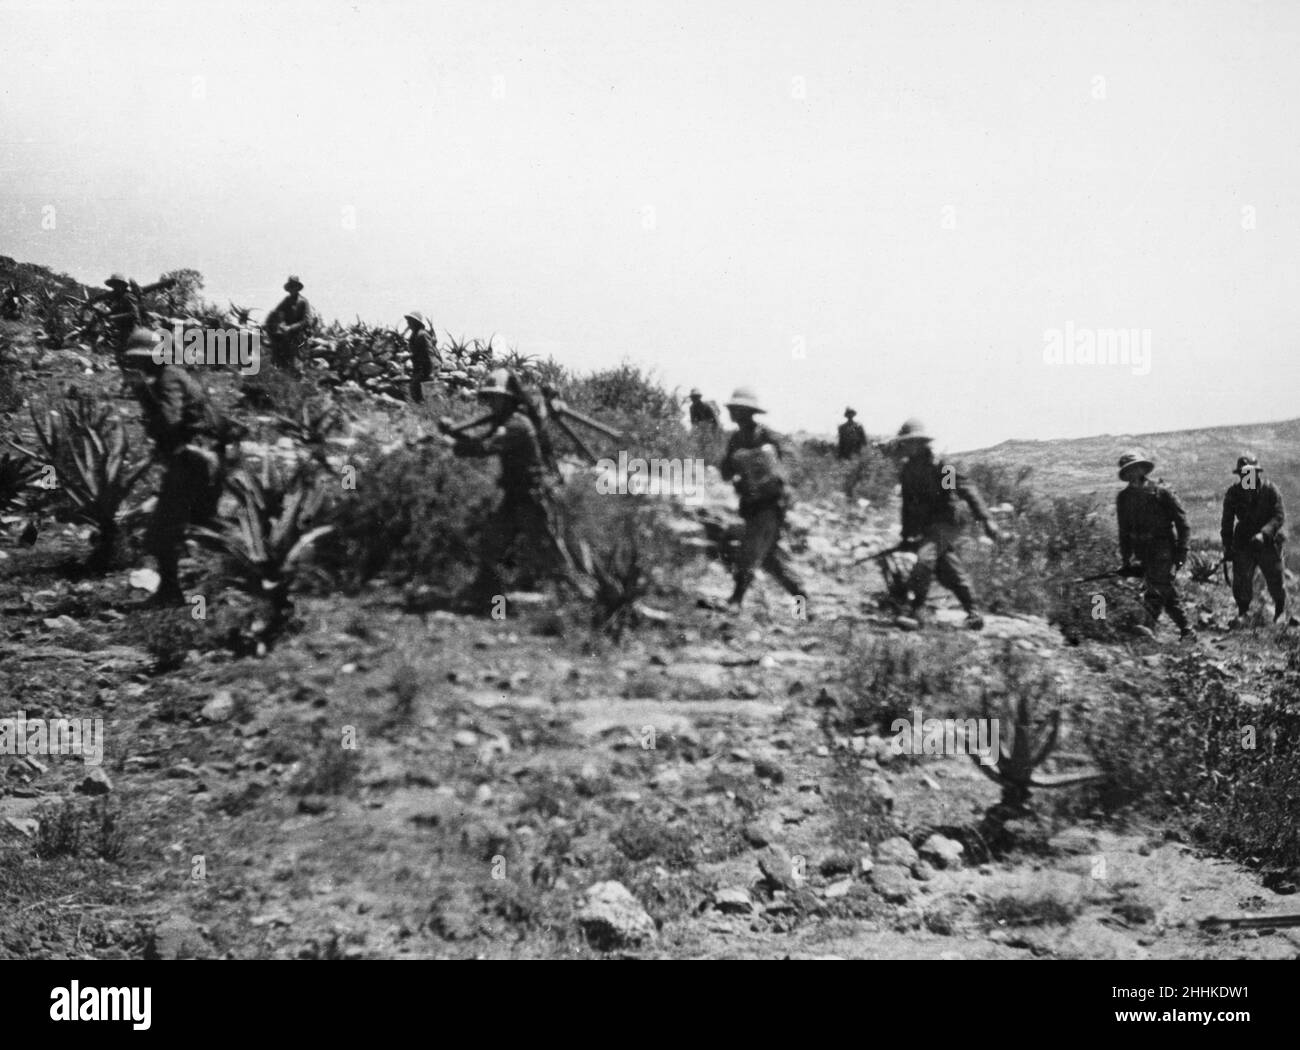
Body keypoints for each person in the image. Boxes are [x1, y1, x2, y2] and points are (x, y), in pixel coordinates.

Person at [439, 369, 578, 607]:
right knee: (490, 544)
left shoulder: (516, 425)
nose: (492, 403)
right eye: (490, 397)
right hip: (514, 497)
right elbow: (483, 438)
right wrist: (455, 434)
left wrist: (455, 445)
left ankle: (575, 598)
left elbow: (486, 446)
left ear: (508, 399)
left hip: (531, 497)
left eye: (497, 397)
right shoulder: (507, 422)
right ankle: (485, 592)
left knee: (547, 550)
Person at [122, 328, 225, 605]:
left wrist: (143, 394)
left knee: (165, 526)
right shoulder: (173, 374)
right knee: (200, 523)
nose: (138, 364)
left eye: (141, 358)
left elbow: (169, 420)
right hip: (202, 456)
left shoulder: (168, 377)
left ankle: (172, 591)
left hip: (192, 458)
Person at [889, 418, 999, 630]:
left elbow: (963, 491)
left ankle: (915, 611)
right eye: (906, 443)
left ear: (922, 443)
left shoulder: (941, 466)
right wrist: (906, 536)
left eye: (914, 442)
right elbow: (908, 505)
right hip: (928, 526)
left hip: (947, 522)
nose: (909, 446)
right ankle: (974, 614)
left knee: (925, 558)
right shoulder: (908, 471)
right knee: (947, 567)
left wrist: (986, 520)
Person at [718, 387, 807, 613]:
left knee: (749, 552)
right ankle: (802, 604)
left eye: (736, 409)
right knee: (769, 561)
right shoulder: (736, 439)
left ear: (747, 412)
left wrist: (777, 475)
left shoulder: (766, 435)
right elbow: (725, 471)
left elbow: (790, 458)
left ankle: (736, 601)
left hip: (770, 505)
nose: (731, 413)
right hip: (751, 504)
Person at [1116, 449, 1195, 640]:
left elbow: (1183, 523)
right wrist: (1126, 561)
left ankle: (1146, 633)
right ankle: (1187, 631)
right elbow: (1124, 531)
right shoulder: (1124, 498)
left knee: (1157, 589)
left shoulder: (1161, 492)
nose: (1133, 473)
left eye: (1136, 468)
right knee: (1165, 590)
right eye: (1128, 470)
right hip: (1142, 552)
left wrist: (1182, 552)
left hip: (1163, 550)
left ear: (1143, 469)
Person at [1220, 454, 1288, 627]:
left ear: (1257, 472)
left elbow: (1279, 516)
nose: (1246, 476)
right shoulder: (1234, 493)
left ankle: (1280, 611)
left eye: (1249, 472)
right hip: (1244, 542)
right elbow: (1227, 522)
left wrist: (1264, 534)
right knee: (1241, 579)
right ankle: (1243, 613)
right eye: (1243, 474)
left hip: (1268, 543)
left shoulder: (1270, 490)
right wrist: (1228, 547)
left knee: (1275, 579)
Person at [266, 275, 313, 370]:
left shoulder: (303, 301)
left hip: (299, 334)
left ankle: (296, 369)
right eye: (290, 286)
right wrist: (268, 322)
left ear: (297, 287)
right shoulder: (286, 300)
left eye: (294, 286)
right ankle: (276, 364)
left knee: (294, 358)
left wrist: (291, 328)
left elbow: (307, 321)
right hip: (286, 332)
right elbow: (275, 312)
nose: (292, 288)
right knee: (274, 342)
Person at [103, 274, 142, 358]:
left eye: (116, 285)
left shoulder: (128, 296)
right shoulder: (119, 298)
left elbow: (134, 314)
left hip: (132, 331)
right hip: (123, 330)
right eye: (113, 285)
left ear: (122, 285)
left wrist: (114, 317)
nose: (114, 288)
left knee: (127, 355)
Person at [405, 312, 438, 402]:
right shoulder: (415, 335)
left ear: (416, 322)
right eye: (408, 321)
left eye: (410, 321)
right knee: (416, 391)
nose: (408, 324)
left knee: (420, 392)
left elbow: (429, 354)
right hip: (420, 368)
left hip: (426, 368)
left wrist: (428, 373)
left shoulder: (422, 335)